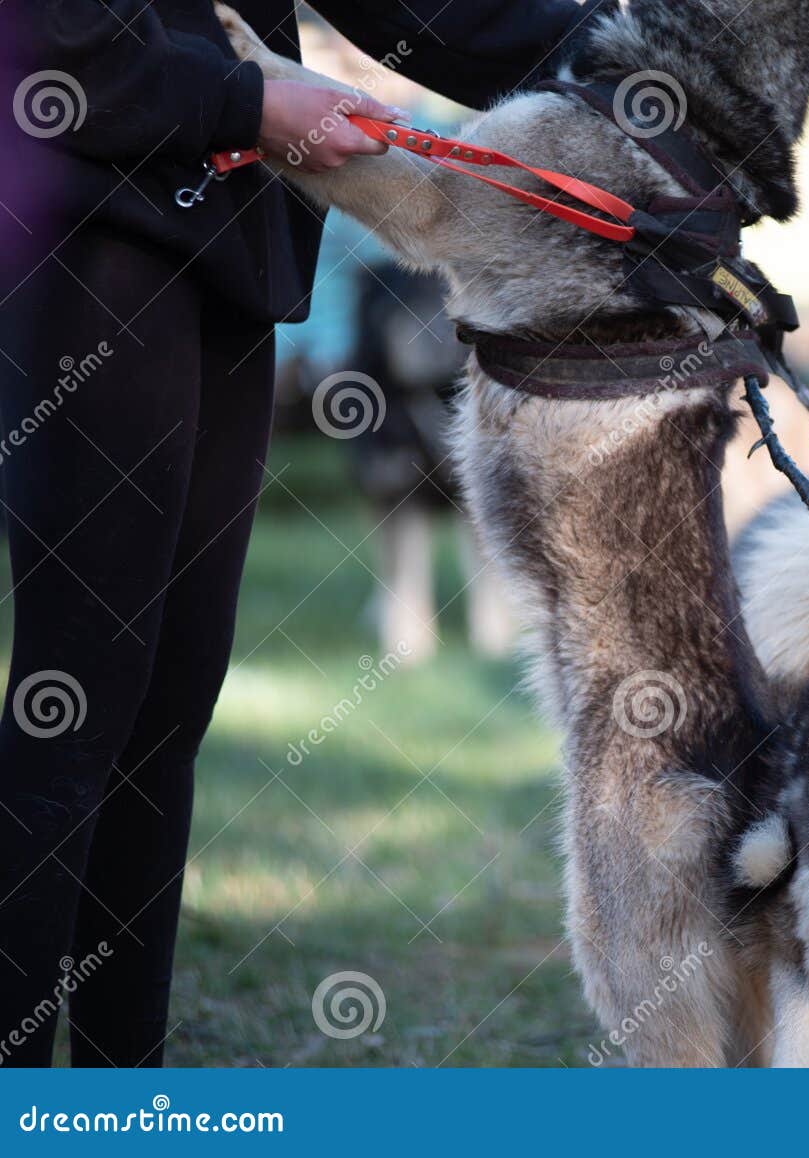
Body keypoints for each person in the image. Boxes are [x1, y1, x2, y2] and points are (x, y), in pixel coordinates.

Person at [0, 0, 603, 1068]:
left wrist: (633, 49)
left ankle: (116, 1097)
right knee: (78, 708)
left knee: (168, 704)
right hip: (83, 233)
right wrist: (255, 102)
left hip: (221, 237)